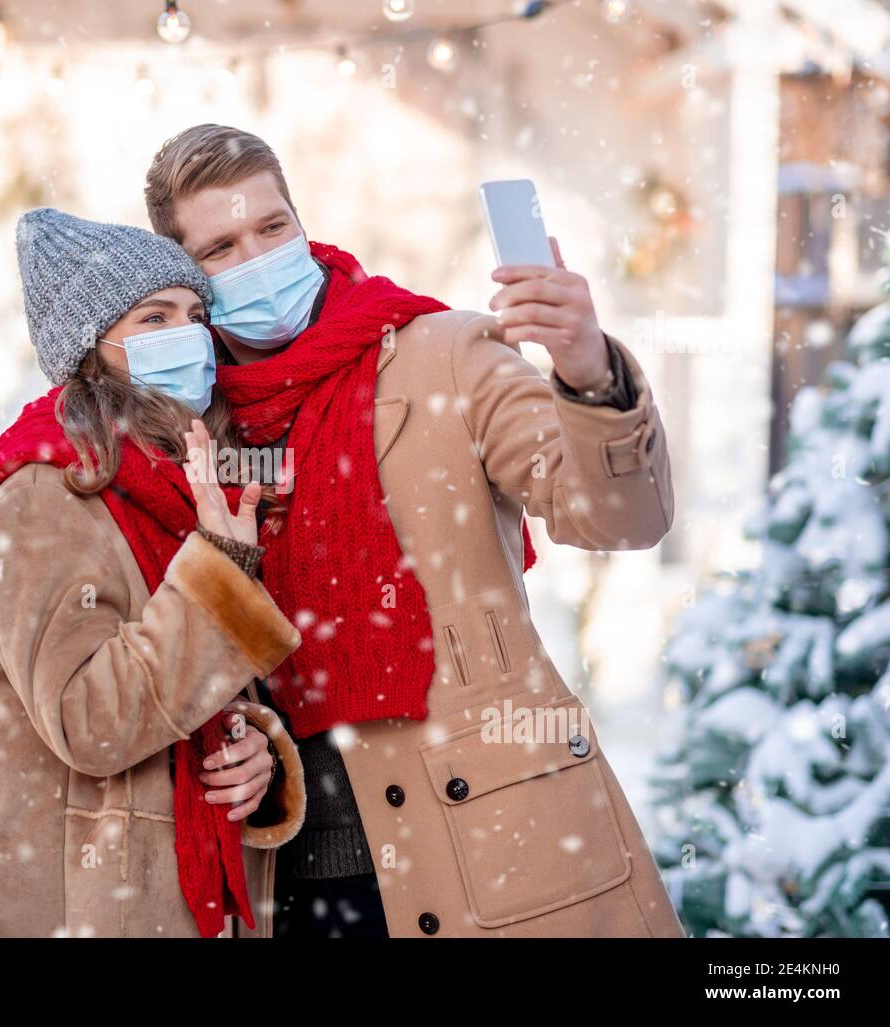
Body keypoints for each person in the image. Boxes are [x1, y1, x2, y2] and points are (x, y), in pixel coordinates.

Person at [142, 124, 686, 939]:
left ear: (301, 222)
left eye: (272, 227)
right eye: (221, 248)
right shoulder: (187, 425)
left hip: (496, 852)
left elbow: (618, 516)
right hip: (292, 881)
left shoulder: (446, 355)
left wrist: (587, 371)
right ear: (190, 276)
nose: (256, 257)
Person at [0, 207, 308, 938]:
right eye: (154, 318)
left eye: (195, 316)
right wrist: (222, 577)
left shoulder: (168, 487)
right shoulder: (43, 491)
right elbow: (89, 719)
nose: (187, 335)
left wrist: (252, 749)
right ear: (90, 350)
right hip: (62, 911)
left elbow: (176, 682)